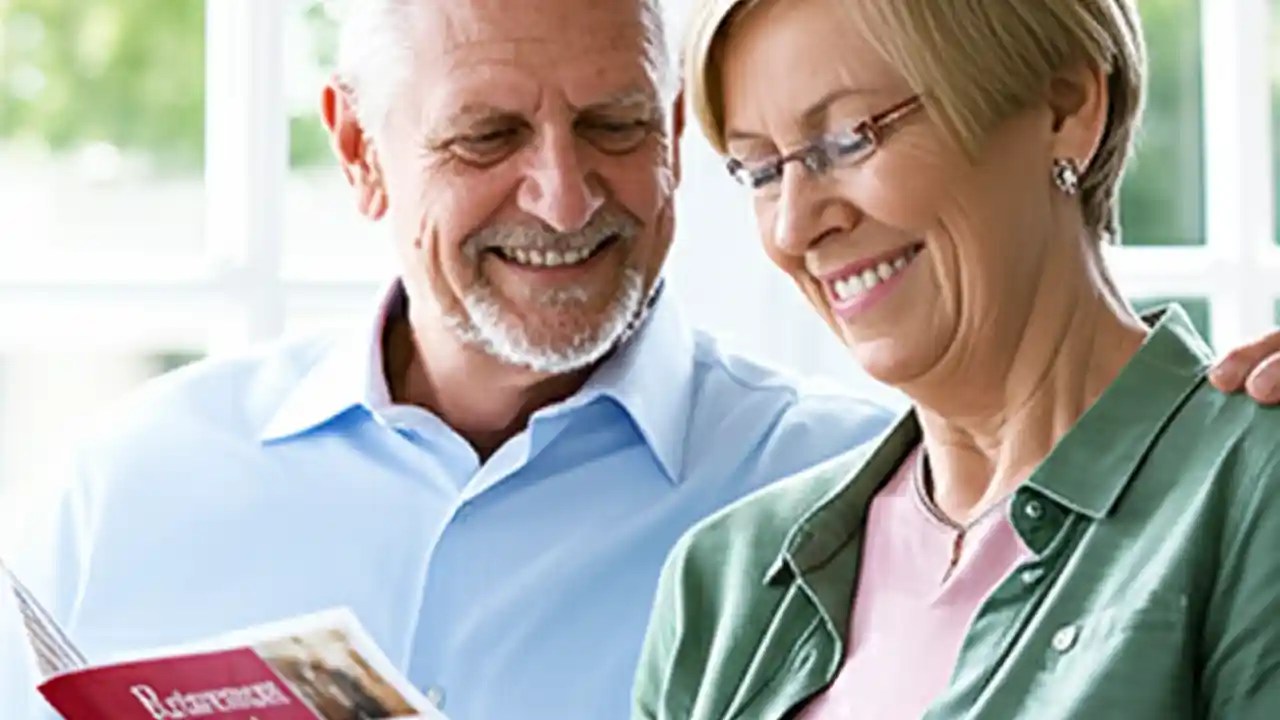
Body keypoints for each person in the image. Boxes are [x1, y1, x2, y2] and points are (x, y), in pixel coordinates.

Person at [0, 1, 1277, 719]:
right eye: (763, 168)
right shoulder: (744, 576)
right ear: (358, 153)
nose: (561, 199)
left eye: (615, 126)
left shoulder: (810, 487)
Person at [632, 0, 1280, 718]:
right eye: (760, 171)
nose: (795, 224)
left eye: (851, 138)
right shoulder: (722, 584)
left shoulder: (1252, 488)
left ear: (1065, 108)